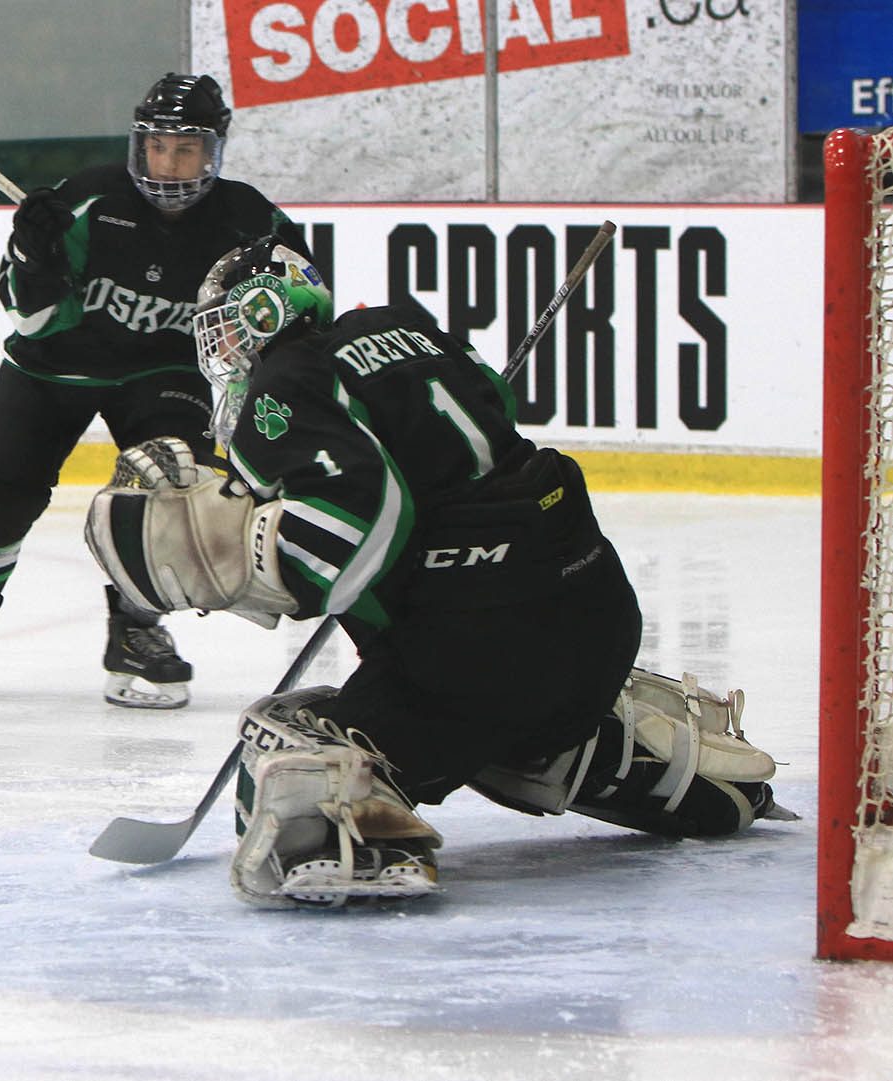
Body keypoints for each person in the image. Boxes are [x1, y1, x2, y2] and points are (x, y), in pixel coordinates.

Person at [84, 237, 787, 907]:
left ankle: (353, 839)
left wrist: (250, 569)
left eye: (224, 329)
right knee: (519, 708)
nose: (221, 349)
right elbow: (494, 404)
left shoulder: (281, 387)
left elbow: (359, 519)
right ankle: (665, 771)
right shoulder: (401, 324)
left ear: (259, 311)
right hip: (598, 625)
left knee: (287, 734)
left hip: (467, 660)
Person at [0, 73, 312, 710]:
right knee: (2, 502)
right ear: (138, 146)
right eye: (159, 147)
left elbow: (296, 309)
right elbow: (34, 320)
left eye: (186, 149)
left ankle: (135, 630)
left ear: (214, 153)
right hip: (53, 366)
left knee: (170, 491)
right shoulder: (86, 201)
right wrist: (32, 254)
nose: (170, 164)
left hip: (165, 374)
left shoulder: (251, 221)